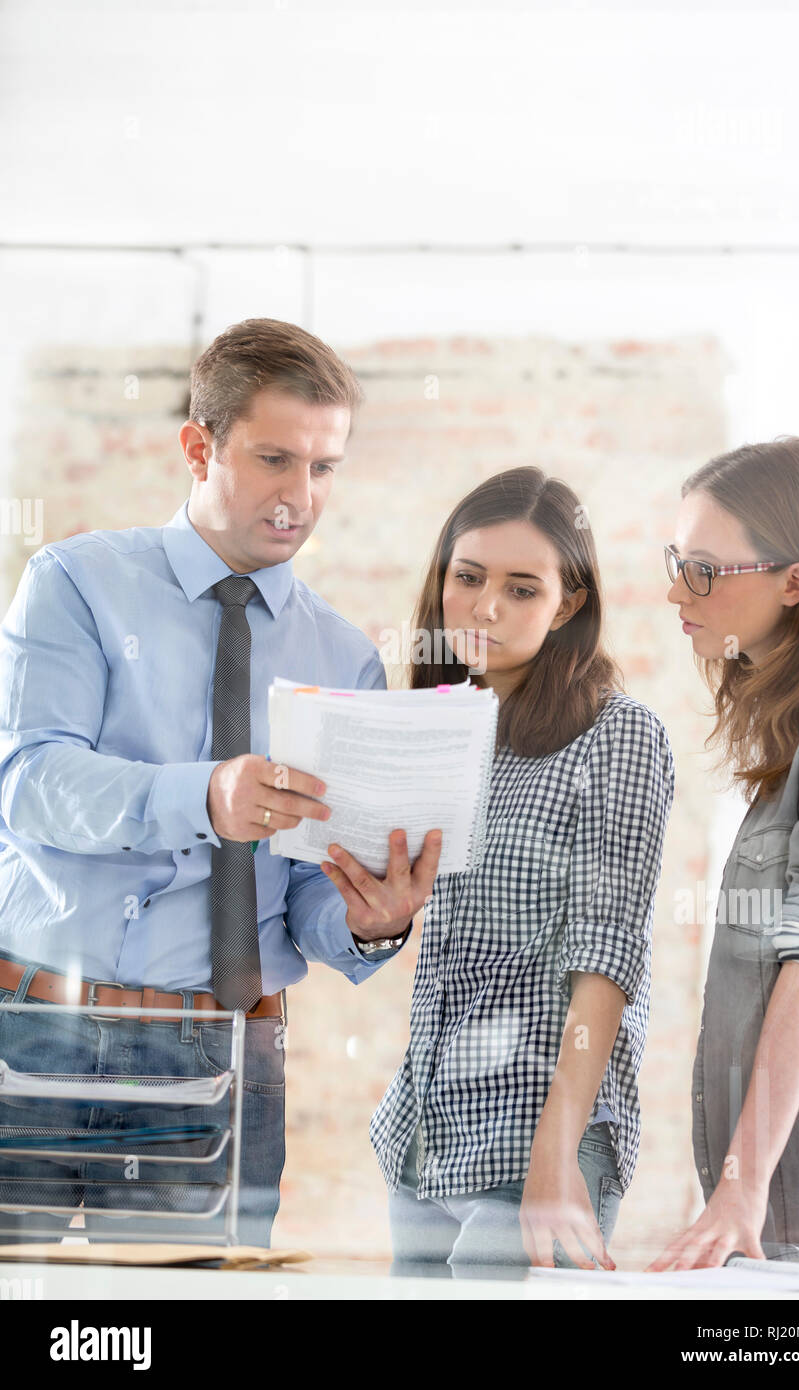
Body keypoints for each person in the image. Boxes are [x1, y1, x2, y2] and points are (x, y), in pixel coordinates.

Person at [0, 318, 440, 1247]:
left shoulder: (346, 659)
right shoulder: (77, 584)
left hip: (223, 1055)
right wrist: (203, 798)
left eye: (324, 468)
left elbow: (310, 895)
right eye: (275, 459)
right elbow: (31, 779)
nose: (300, 497)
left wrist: (367, 921)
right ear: (198, 447)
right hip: (32, 1032)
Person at [355, 466, 674, 1273]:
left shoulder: (620, 737)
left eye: (522, 589)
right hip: (423, 1141)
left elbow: (606, 958)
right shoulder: (445, 728)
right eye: (468, 578)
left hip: (539, 1142)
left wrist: (554, 1158)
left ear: (567, 604)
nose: (485, 607)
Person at [649, 437, 799, 1271]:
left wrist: (740, 1186)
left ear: (794, 580)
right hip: (792, 1214)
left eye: (704, 569)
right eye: (678, 561)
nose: (676, 590)